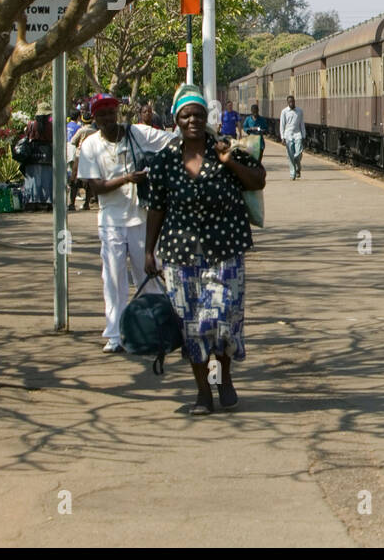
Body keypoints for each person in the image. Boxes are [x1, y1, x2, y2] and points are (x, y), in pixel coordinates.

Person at [145, 83, 265, 414]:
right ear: (177, 120)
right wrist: (148, 251)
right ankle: (203, 393)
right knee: (192, 326)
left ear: (206, 117)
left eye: (198, 114)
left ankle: (223, 378)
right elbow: (156, 208)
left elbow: (258, 180)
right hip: (179, 254)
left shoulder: (225, 148)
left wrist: (230, 163)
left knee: (223, 319)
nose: (193, 120)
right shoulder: (163, 161)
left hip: (224, 249)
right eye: (187, 115)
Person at [77, 93, 176, 353]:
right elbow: (96, 187)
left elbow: (173, 140)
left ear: (117, 113)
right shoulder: (90, 146)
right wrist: (127, 179)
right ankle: (115, 334)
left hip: (140, 218)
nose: (107, 119)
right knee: (113, 277)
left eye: (111, 113)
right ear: (95, 118)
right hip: (110, 220)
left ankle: (155, 329)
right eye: (101, 115)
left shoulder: (137, 133)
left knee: (148, 273)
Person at [20, 102, 53, 211]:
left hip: (32, 154)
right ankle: (46, 202)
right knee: (47, 178)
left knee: (33, 178)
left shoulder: (31, 124)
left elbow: (27, 136)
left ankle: (31, 202)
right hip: (47, 154)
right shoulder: (51, 125)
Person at [69, 112, 98, 212]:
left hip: (79, 155)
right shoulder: (95, 131)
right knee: (89, 180)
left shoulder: (81, 130)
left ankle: (72, 204)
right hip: (91, 157)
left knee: (74, 180)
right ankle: (86, 204)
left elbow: (73, 141)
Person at [279, 95, 305, 180]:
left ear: (294, 101)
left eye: (293, 101)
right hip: (288, 135)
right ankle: (292, 174)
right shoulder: (284, 112)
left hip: (298, 134)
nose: (291, 103)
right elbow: (282, 125)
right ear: (287, 103)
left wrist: (303, 135)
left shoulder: (299, 111)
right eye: (290, 102)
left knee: (298, 154)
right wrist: (282, 137)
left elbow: (302, 124)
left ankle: (298, 167)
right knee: (290, 156)